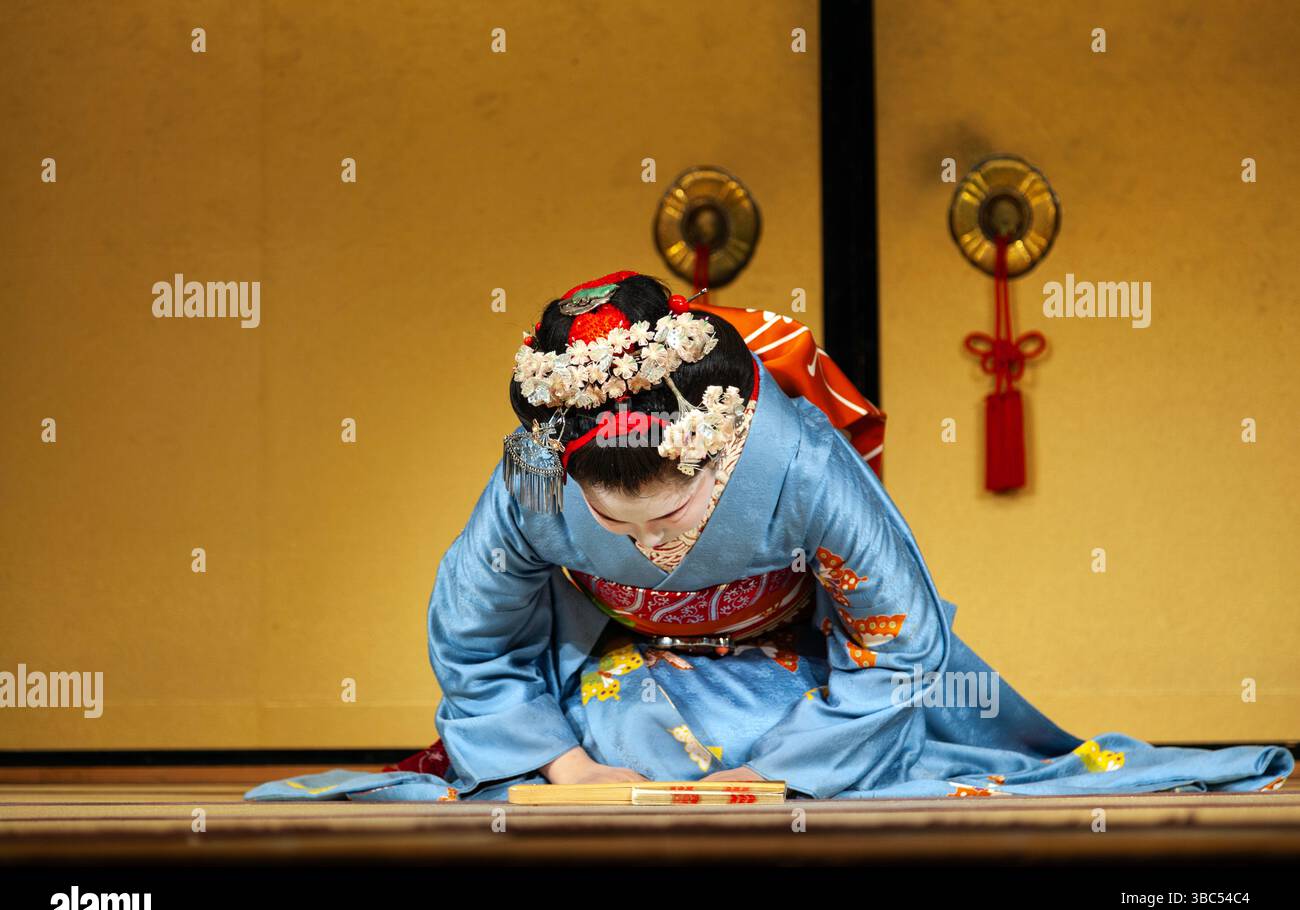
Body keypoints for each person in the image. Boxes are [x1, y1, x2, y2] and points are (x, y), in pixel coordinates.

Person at [246, 271, 1292, 802]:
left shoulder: (790, 453)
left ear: (724, 441)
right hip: (632, 663)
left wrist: (793, 777)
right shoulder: (532, 468)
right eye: (618, 519)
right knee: (616, 736)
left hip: (802, 661)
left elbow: (898, 637)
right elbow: (476, 633)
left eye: (681, 510)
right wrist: (558, 765)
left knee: (765, 748)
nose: (657, 545)